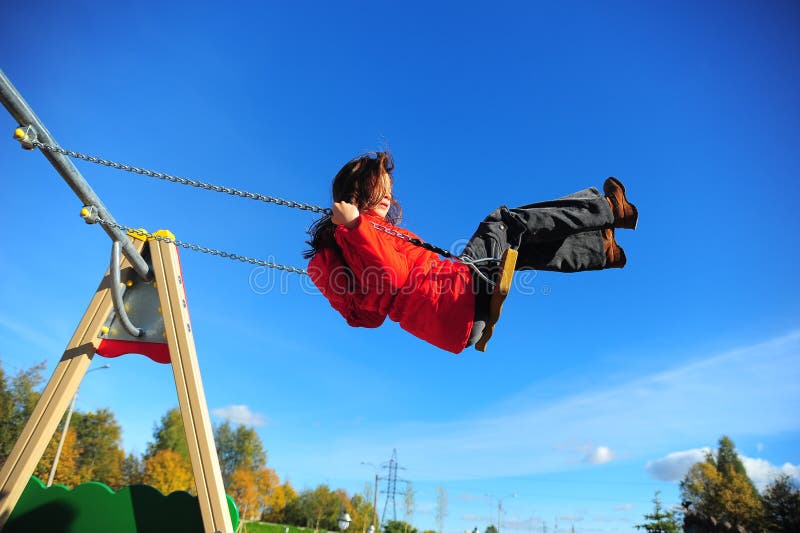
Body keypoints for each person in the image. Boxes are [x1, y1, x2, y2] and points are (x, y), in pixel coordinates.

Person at [305, 152, 638, 354]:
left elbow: (369, 314)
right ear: (357, 189)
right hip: (456, 298)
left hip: (456, 321)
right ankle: (607, 208)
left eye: (390, 192)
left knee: (516, 251)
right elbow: (392, 276)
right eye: (381, 189)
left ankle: (601, 249)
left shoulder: (369, 235)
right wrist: (354, 228)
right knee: (502, 223)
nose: (388, 197)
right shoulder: (357, 233)